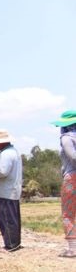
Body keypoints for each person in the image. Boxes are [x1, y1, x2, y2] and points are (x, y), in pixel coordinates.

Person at [0, 129, 23, 252]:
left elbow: (3, 171)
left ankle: (11, 245)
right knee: (12, 218)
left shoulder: (6, 154)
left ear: (1, 142)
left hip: (6, 191)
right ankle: (15, 243)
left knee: (5, 219)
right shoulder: (13, 152)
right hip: (11, 190)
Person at [52, 110, 76, 258]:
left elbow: (73, 156)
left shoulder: (66, 138)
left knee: (68, 213)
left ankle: (72, 249)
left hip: (72, 178)